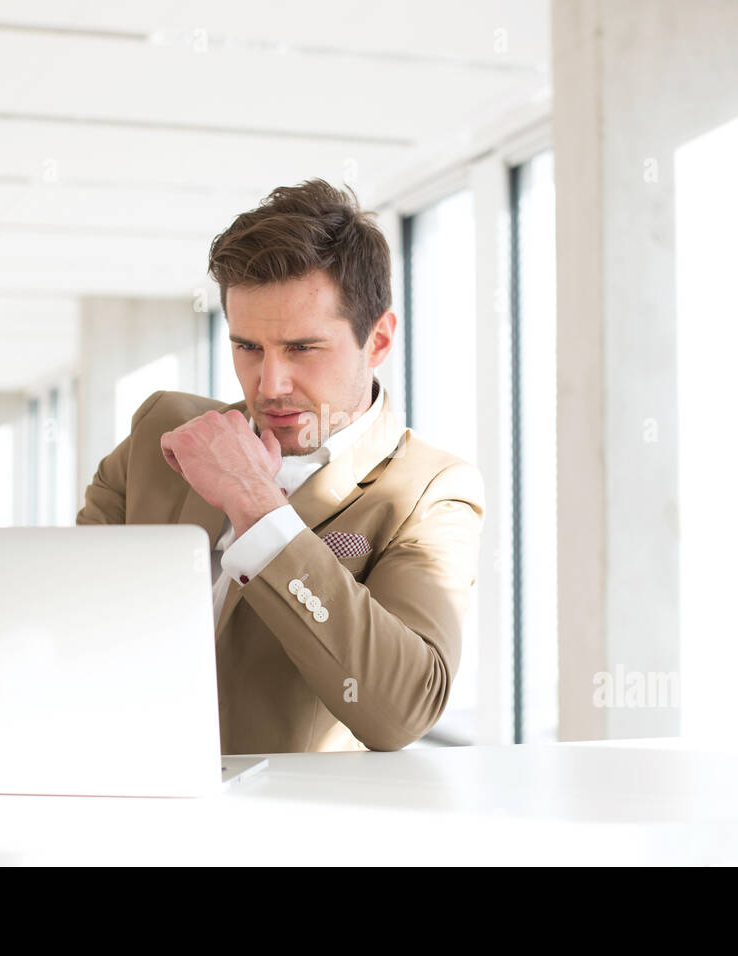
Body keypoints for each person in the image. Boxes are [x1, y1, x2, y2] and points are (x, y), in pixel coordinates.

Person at [77, 178, 484, 754]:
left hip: (284, 831)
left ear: (380, 340)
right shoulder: (162, 432)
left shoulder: (430, 492)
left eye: (302, 348)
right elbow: (68, 613)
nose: (270, 385)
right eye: (248, 347)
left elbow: (402, 710)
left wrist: (258, 508)